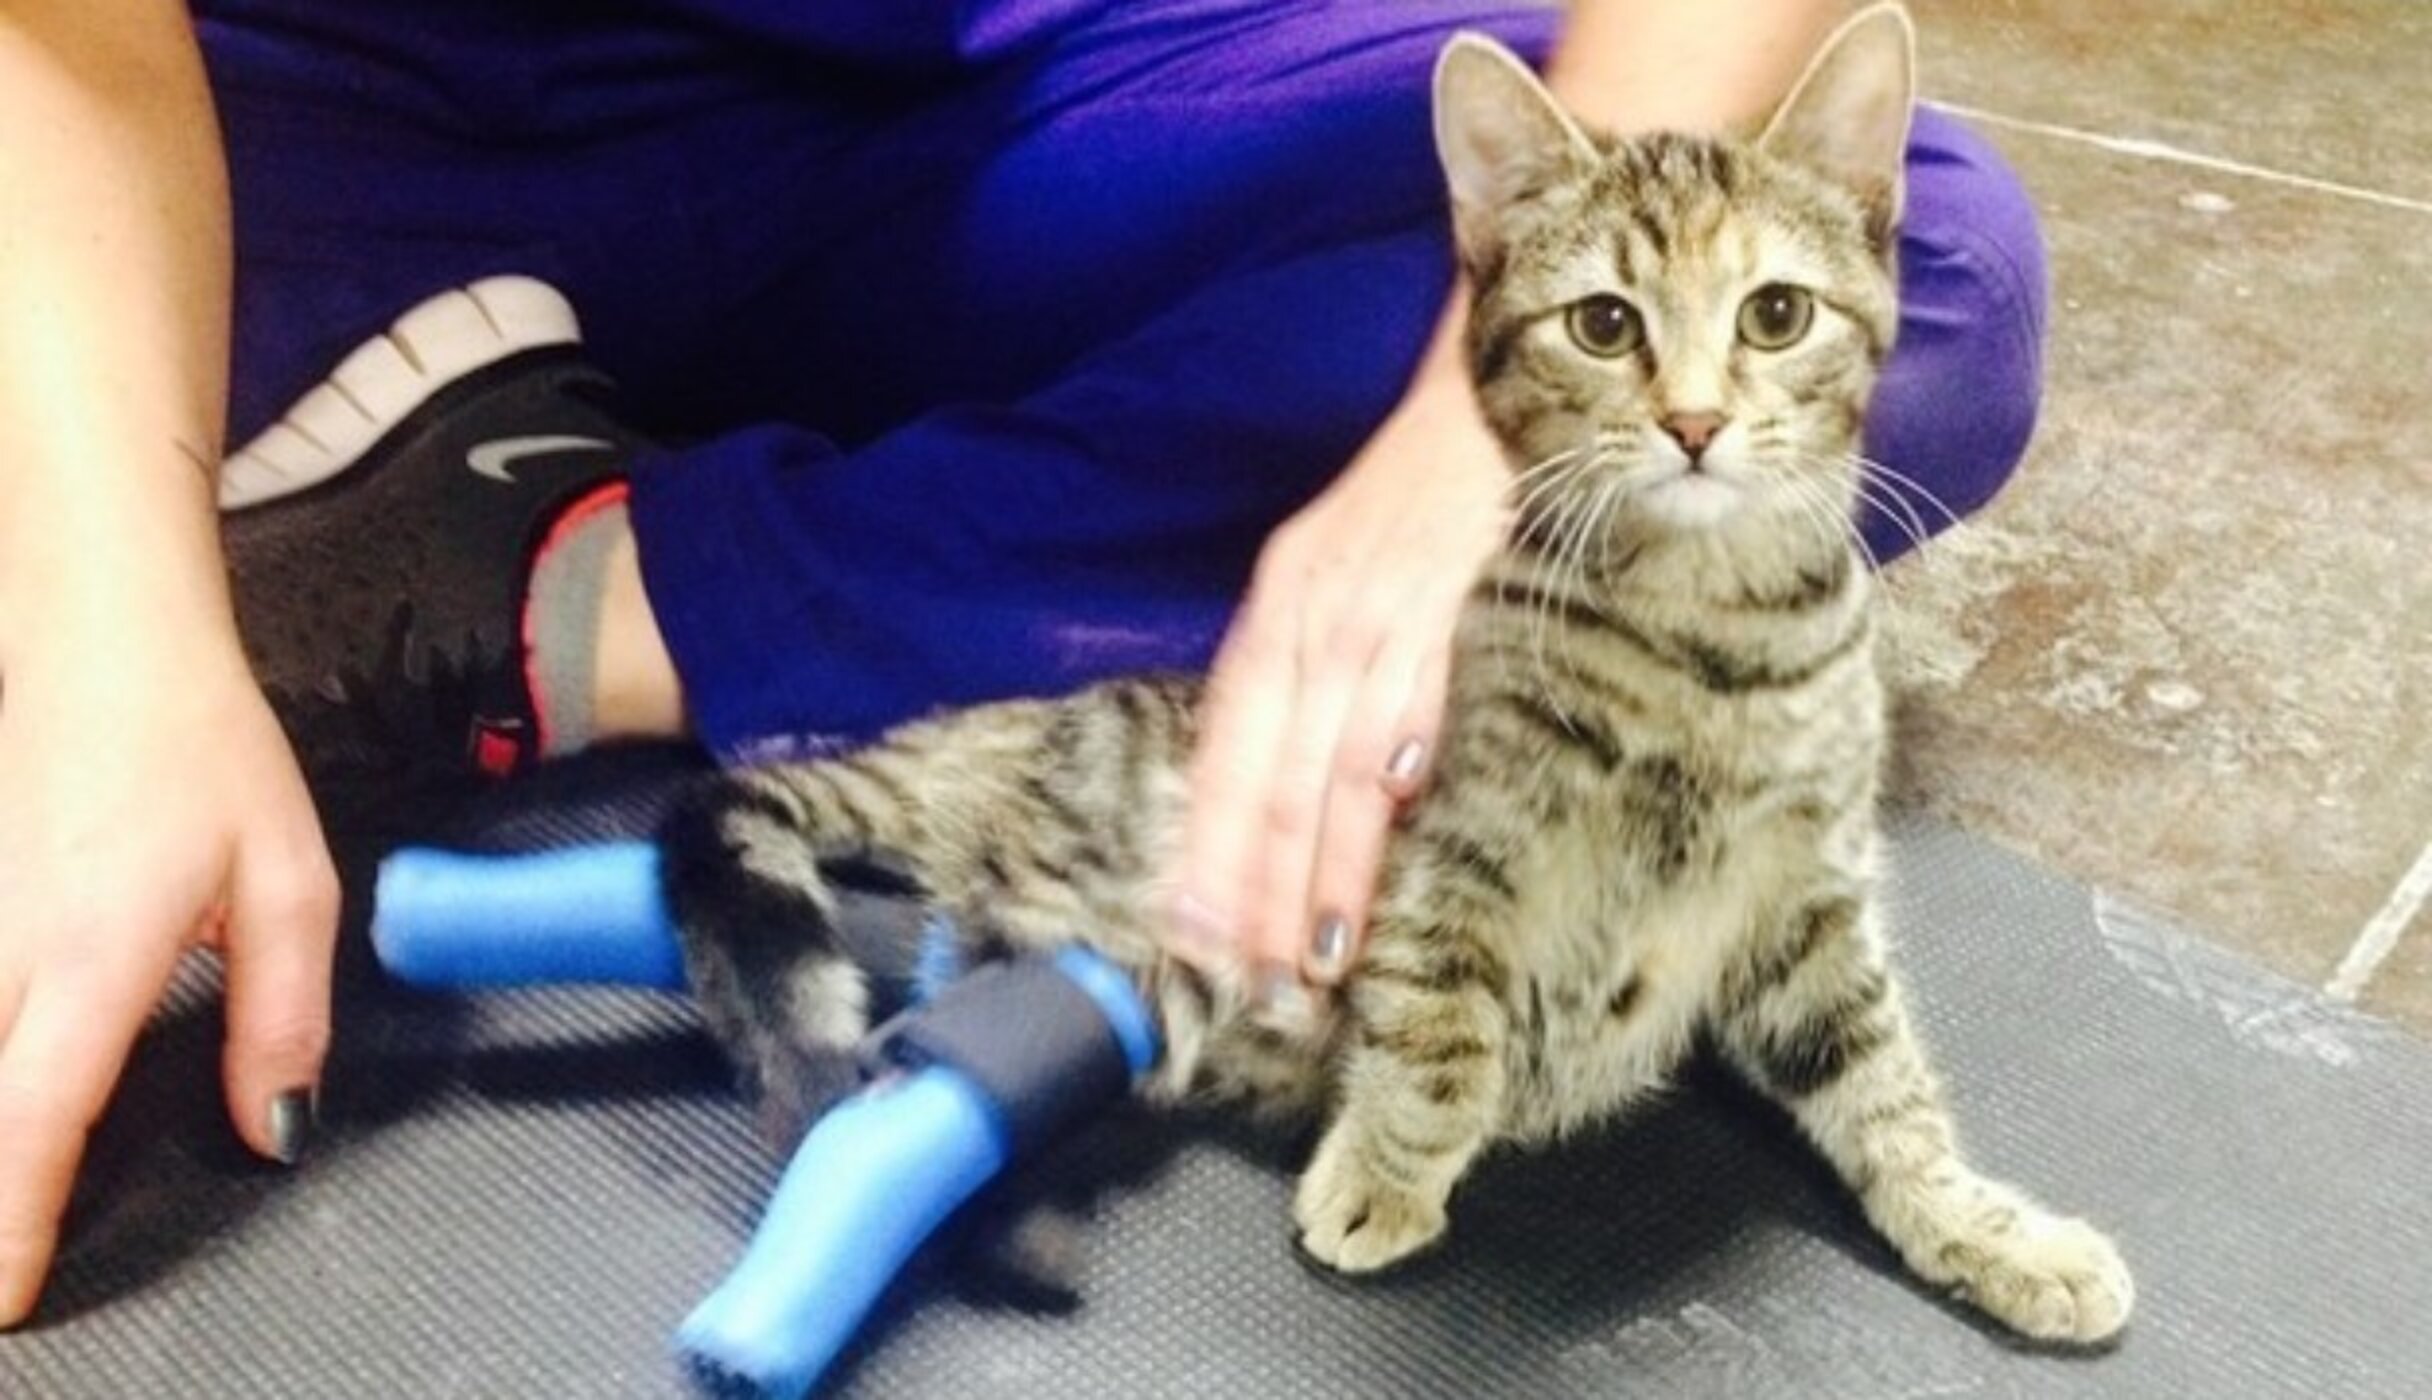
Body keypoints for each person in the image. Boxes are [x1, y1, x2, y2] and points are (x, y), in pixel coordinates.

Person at [0, 0, 2045, 1325]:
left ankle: (562, 594)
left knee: (1910, 280)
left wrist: (1455, 442)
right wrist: (118, 620)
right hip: (329, 99)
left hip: (997, 93)